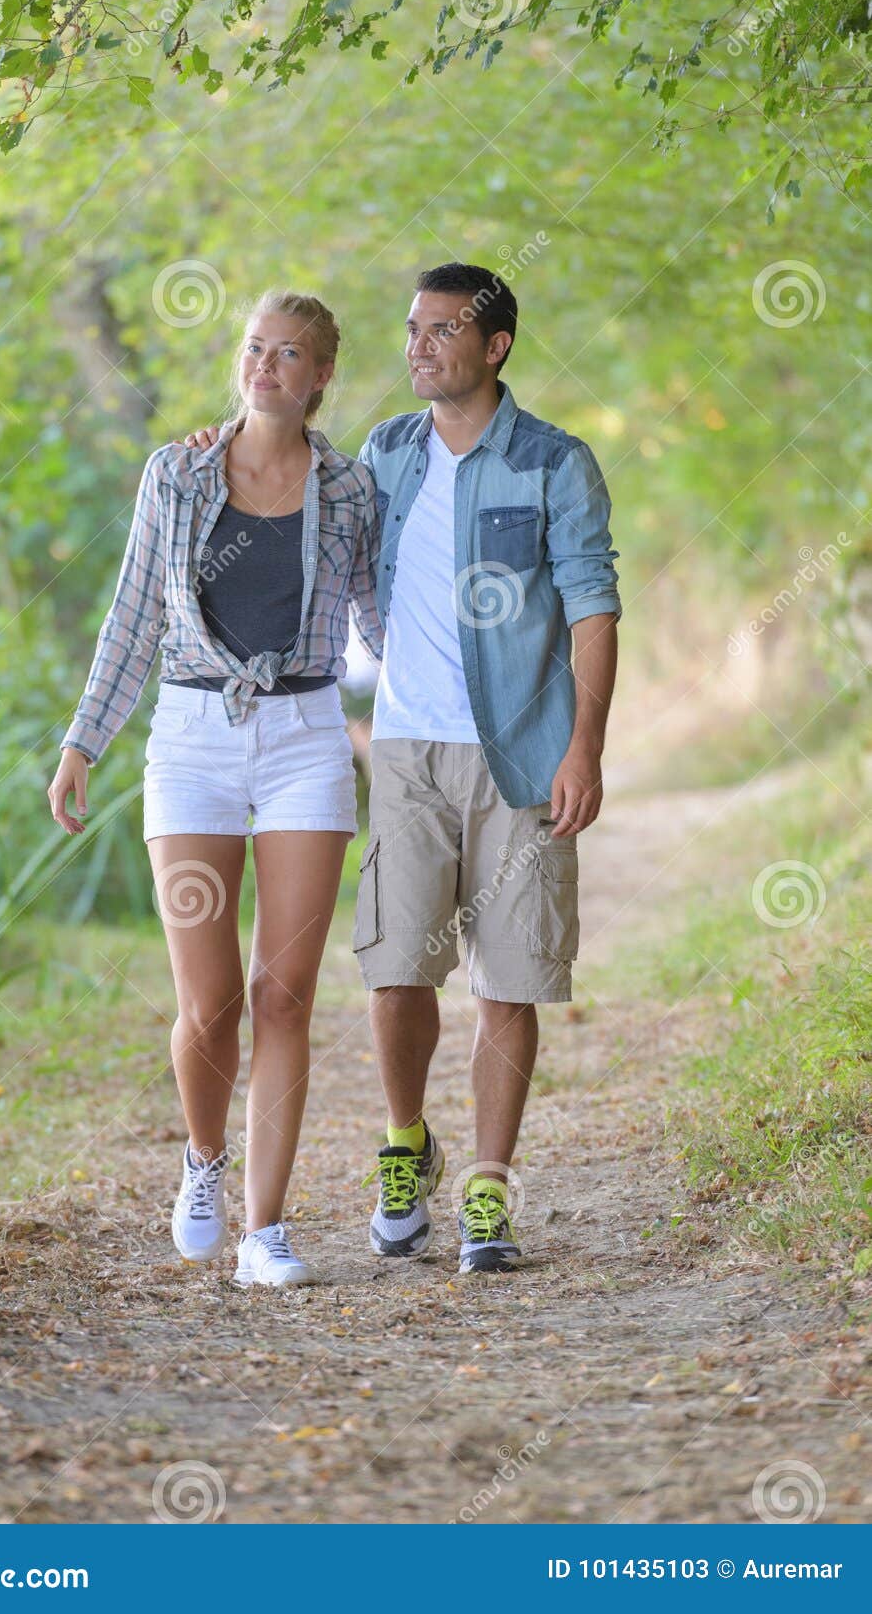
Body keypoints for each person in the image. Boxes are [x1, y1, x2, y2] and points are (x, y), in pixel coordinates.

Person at [183, 260, 622, 1278]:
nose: (417, 346)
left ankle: (486, 1185)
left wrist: (583, 744)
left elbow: (593, 610)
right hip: (410, 752)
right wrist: (222, 445)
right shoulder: (383, 455)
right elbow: (285, 472)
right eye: (411, 329)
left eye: (438, 332)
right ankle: (402, 1139)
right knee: (394, 972)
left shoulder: (554, 464)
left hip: (521, 750)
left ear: (492, 346)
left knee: (506, 980)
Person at [48, 290, 383, 1288]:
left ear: (322, 374)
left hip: (305, 736)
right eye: (253, 348)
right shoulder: (178, 471)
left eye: (289, 353)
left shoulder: (353, 490)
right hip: (192, 736)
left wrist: (428, 729)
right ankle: (202, 1159)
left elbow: (383, 619)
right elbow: (130, 618)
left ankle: (264, 1231)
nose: (265, 365)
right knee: (210, 1004)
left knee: (283, 995)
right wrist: (83, 742)